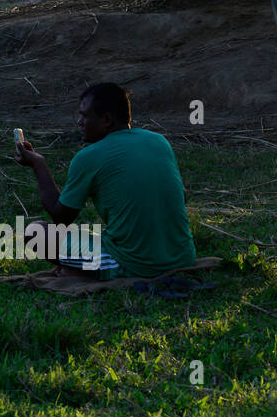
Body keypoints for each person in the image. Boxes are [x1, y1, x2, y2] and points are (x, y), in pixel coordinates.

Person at [14, 83, 197, 280]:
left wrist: (38, 165)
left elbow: (61, 217)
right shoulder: (158, 141)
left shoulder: (88, 157)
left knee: (36, 232)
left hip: (138, 265)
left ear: (107, 120)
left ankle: (85, 271)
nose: (79, 122)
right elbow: (182, 195)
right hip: (184, 257)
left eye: (85, 116)